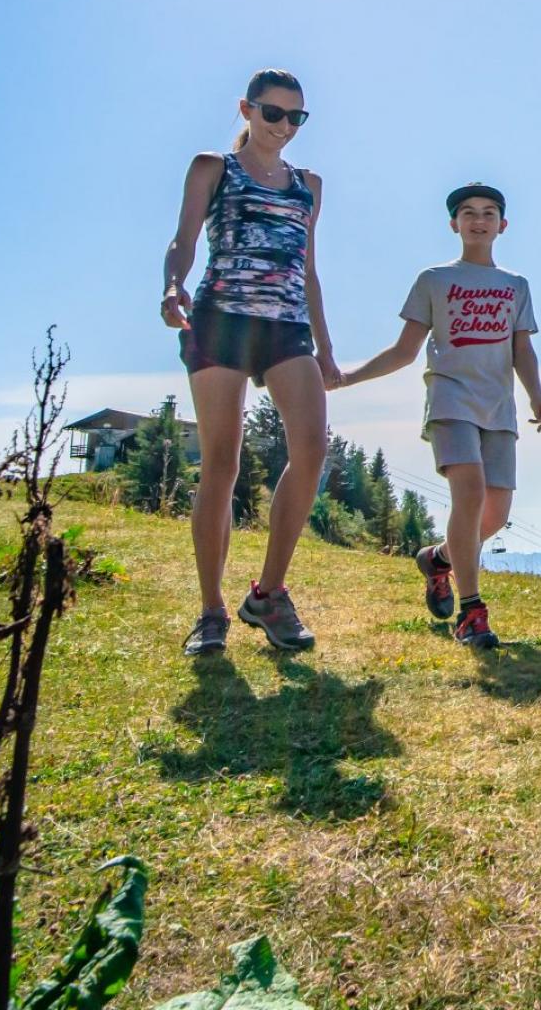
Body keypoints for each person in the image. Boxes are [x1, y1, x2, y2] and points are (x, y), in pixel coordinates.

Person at [161, 68, 340, 656]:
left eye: (296, 118)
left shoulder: (309, 183)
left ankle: (268, 594)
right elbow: (184, 238)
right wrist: (172, 286)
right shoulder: (214, 167)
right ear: (246, 109)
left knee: (312, 447)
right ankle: (211, 611)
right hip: (221, 320)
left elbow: (308, 269)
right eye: (273, 114)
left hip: (286, 325)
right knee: (221, 461)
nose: (284, 127)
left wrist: (327, 347)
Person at [340, 183, 541, 648]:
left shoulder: (516, 286)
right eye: (469, 213)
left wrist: (536, 393)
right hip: (450, 401)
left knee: (495, 514)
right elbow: (404, 350)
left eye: (489, 213)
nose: (479, 220)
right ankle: (471, 612)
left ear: (503, 225)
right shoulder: (434, 280)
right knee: (470, 494)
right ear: (454, 224)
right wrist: (349, 377)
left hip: (498, 408)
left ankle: (438, 560)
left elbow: (522, 348)